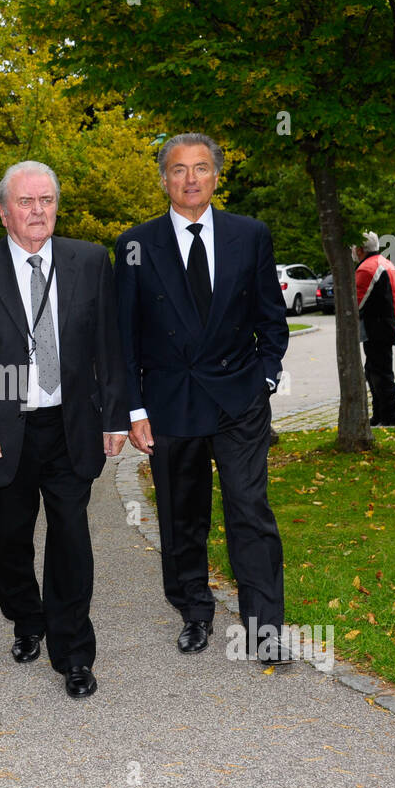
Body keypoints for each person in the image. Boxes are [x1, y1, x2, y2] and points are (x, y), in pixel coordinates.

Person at [0, 160, 129, 699]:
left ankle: (73, 652)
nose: (38, 210)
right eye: (26, 202)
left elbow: (109, 346)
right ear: (4, 213)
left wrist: (115, 416)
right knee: (8, 541)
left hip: (71, 428)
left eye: (46, 200)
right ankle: (26, 618)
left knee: (71, 538)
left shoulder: (89, 261)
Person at [114, 132, 290, 664]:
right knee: (181, 518)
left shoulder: (250, 235)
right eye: (178, 169)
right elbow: (123, 336)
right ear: (164, 179)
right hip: (170, 402)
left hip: (239, 399)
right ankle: (194, 612)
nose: (190, 178)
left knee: (249, 510)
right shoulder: (134, 244)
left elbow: (270, 319)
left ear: (216, 175)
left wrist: (265, 379)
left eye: (201, 168)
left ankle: (265, 630)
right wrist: (135, 408)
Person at [353, 231, 395, 427]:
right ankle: (381, 414)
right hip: (386, 324)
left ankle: (390, 417)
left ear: (360, 249)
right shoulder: (385, 262)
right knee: (375, 371)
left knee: (379, 373)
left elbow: (356, 302)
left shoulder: (367, 268)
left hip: (377, 328)